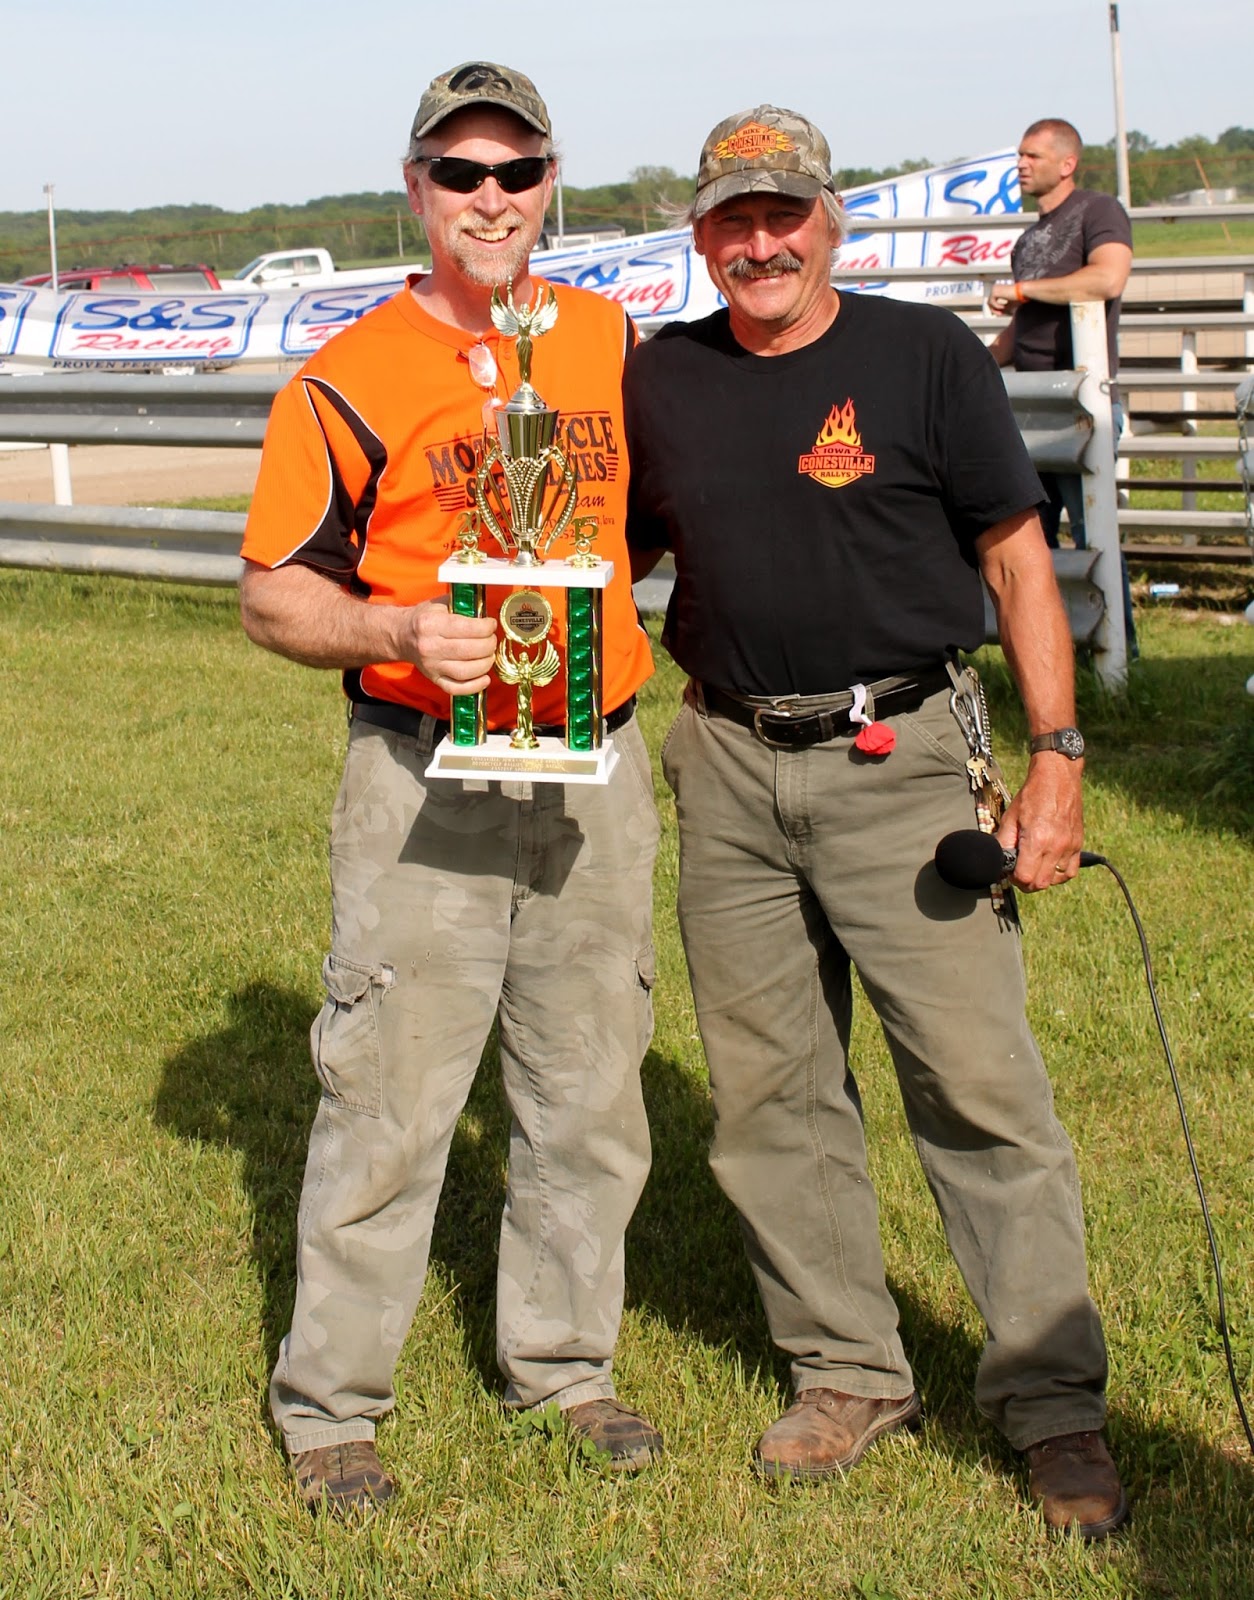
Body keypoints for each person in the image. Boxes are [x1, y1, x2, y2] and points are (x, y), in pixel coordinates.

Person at [624, 104, 1127, 1540]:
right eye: (733, 218)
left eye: (784, 215)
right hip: (724, 762)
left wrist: (1058, 755)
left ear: (828, 222)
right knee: (771, 1095)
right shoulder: (664, 379)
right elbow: (613, 556)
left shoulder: (917, 358)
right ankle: (844, 1371)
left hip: (901, 757)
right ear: (701, 234)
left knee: (975, 1087)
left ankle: (1052, 1404)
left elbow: (1016, 557)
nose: (760, 243)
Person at [239, 60, 662, 1513]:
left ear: (551, 185)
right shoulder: (347, 373)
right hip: (422, 770)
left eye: (516, 171)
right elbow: (268, 597)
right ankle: (333, 1402)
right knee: (392, 1094)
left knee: (589, 1087)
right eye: (460, 173)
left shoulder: (606, 340)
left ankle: (564, 1369)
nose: (491, 200)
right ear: (416, 189)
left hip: (593, 769)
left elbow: (655, 519)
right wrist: (396, 630)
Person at [988, 118, 1137, 652]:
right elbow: (1023, 328)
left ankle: (1119, 653)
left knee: (1095, 536)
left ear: (1067, 163)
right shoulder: (1029, 237)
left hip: (1080, 406)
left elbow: (1107, 278)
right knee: (1032, 542)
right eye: (1020, 155)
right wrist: (979, 364)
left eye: (1033, 155)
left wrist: (1024, 290)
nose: (1021, 164)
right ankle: (1055, 653)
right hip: (1030, 406)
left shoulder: (1097, 211)